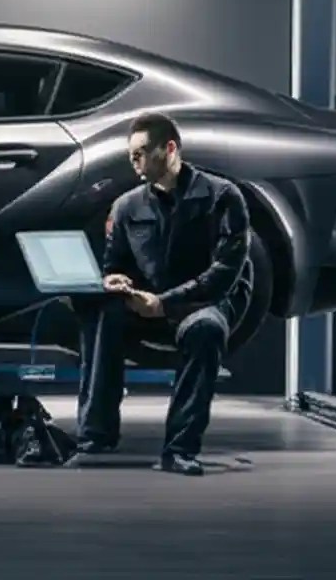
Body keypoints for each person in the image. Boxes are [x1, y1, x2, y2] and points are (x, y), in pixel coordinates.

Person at [68, 111, 253, 476]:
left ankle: (180, 450)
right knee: (101, 311)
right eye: (130, 154)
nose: (133, 161)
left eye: (140, 152)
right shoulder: (126, 207)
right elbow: (115, 263)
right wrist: (114, 280)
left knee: (206, 330)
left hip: (203, 304)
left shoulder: (223, 197)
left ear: (169, 149)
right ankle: (95, 438)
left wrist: (165, 303)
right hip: (148, 303)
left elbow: (224, 274)